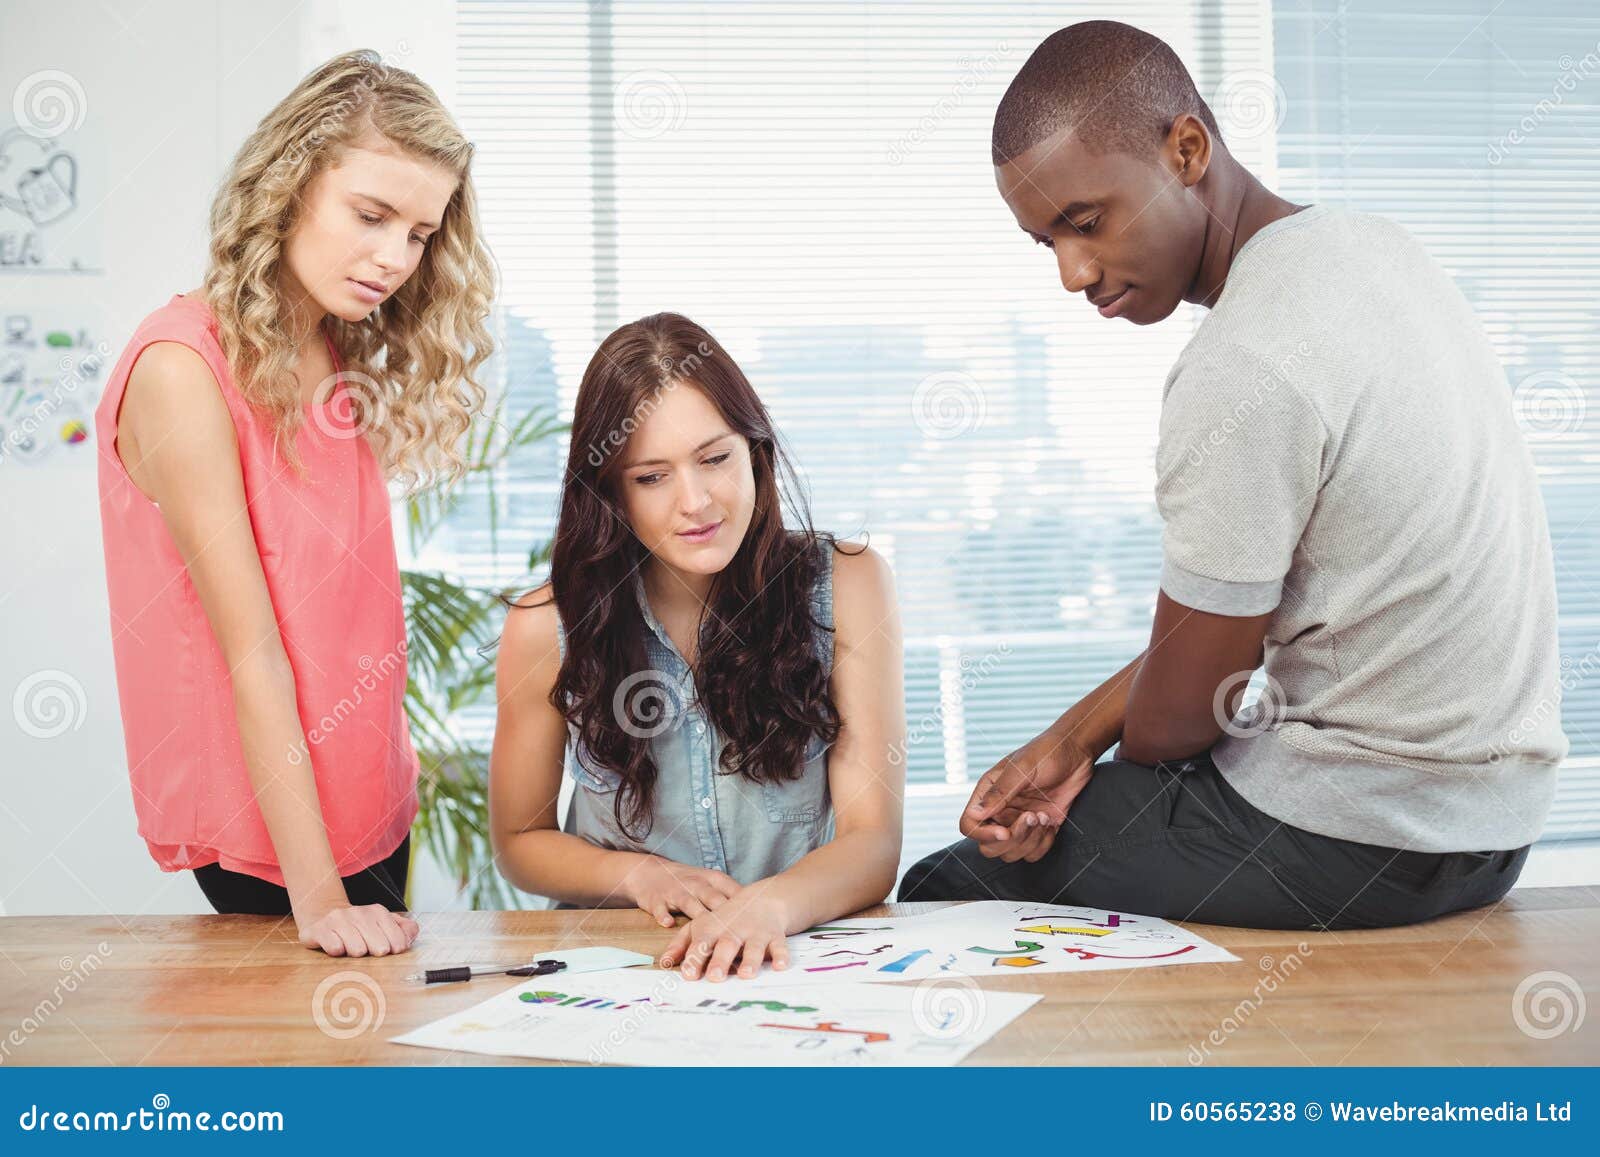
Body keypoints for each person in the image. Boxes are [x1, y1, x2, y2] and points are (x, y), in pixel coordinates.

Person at [899, 21, 1566, 930]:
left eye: (1086, 223)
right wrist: (1072, 738)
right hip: (1494, 829)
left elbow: (1181, 720)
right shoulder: (1378, 250)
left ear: (1186, 150)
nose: (1072, 272)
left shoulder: (1240, 362)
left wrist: (1092, 779)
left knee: (945, 888)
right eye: (1044, 241)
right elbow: (1218, 642)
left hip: (1362, 839)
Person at [94, 50, 495, 955]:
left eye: (419, 233)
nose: (394, 257)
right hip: (279, 845)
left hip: (375, 807)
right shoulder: (181, 369)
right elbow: (255, 652)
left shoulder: (330, 348)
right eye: (371, 215)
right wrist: (320, 903)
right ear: (288, 184)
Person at [489, 312, 905, 981]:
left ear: (754, 452)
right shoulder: (546, 624)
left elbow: (873, 840)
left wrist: (768, 908)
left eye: (715, 459)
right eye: (651, 476)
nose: (696, 501)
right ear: (611, 491)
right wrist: (638, 875)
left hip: (787, 957)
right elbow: (520, 841)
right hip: (622, 967)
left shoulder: (849, 583)